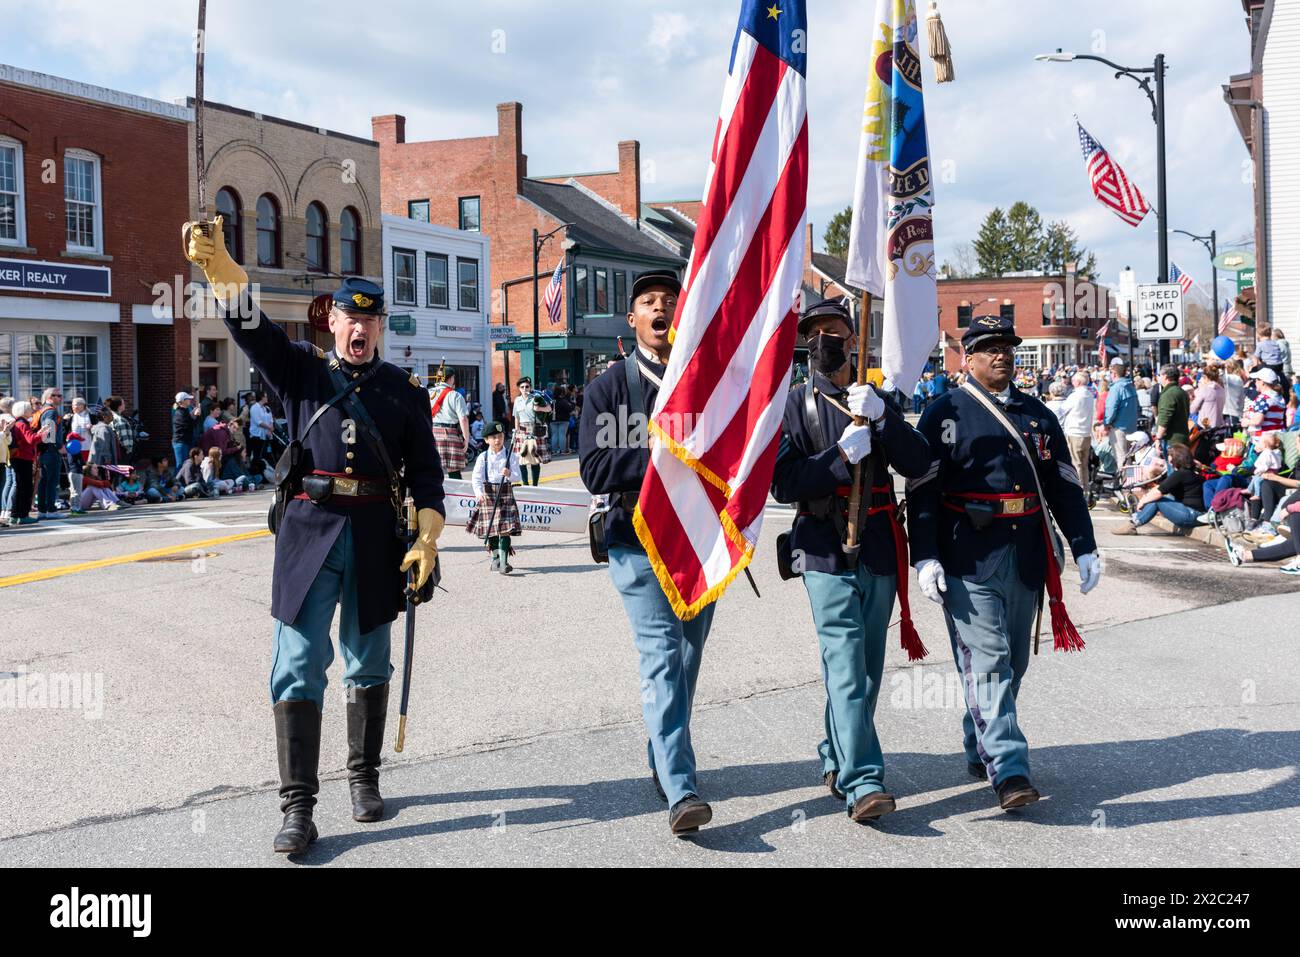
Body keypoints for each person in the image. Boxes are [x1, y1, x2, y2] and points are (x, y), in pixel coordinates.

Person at [184, 215, 446, 855]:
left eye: (372, 321)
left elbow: (430, 482)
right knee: (298, 665)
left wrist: (427, 539)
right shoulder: (301, 371)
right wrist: (220, 268)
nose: (360, 330)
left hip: (377, 540)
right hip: (310, 534)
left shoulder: (405, 392)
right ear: (331, 321)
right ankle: (298, 807)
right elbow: (252, 332)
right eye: (350, 320)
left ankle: (363, 779)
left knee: (369, 662)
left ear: (381, 326)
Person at [908, 314, 1101, 811]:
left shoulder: (1038, 415)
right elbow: (923, 491)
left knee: (1013, 663)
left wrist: (1083, 543)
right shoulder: (942, 411)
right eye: (990, 347)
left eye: (1008, 347)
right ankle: (1010, 771)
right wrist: (924, 555)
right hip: (966, 555)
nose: (1002, 355)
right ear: (966, 357)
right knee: (988, 661)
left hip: (1025, 554)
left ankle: (980, 740)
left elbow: (1062, 483)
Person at [769, 299, 931, 822]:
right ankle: (864, 781)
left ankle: (835, 752)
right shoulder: (794, 404)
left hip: (880, 544)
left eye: (833, 330)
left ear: (853, 337)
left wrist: (885, 420)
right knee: (844, 665)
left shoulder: (878, 399)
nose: (823, 341)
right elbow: (783, 481)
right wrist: (839, 459)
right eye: (813, 333)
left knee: (866, 669)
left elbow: (920, 463)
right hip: (822, 546)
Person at [579, 269, 718, 837]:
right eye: (648, 302)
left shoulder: (706, 381)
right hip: (635, 540)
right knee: (661, 656)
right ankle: (682, 789)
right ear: (632, 319)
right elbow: (594, 467)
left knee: (687, 659)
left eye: (669, 300)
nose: (661, 308)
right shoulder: (607, 387)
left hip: (698, 541)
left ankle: (662, 752)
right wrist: (662, 454)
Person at [467, 420, 522, 573]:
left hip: (505, 493)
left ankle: (504, 563)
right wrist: (479, 493)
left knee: (504, 529)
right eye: (493, 437)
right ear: (486, 440)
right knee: (491, 530)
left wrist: (509, 473)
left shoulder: (511, 455)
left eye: (500, 436)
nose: (497, 440)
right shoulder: (482, 457)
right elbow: (476, 478)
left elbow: (518, 477)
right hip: (488, 494)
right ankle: (495, 559)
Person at [1114, 443, 1204, 534]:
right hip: (1195, 514)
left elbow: (1158, 493)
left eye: (1169, 455)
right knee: (1158, 498)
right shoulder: (1190, 472)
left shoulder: (1180, 474)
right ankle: (1134, 521)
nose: (1167, 457)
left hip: (1191, 515)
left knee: (1157, 501)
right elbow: (1160, 487)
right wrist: (1146, 497)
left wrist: (1143, 501)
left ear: (1174, 458)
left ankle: (1132, 525)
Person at [429, 370, 471, 480]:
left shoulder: (428, 393)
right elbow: (463, 419)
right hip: (450, 433)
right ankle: (455, 495)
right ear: (451, 378)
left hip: (431, 433)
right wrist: (466, 439)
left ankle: (433, 494)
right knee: (453, 468)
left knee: (433, 466)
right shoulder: (455, 395)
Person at [1056, 371, 1094, 492]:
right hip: (1086, 432)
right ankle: (1086, 488)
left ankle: (1080, 489)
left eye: (1073, 381)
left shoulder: (1075, 395)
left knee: (1076, 463)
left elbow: (1062, 410)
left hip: (1075, 432)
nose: (1072, 383)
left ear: (1077, 382)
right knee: (1084, 464)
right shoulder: (1089, 394)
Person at [512, 377, 551, 485]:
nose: (525, 389)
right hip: (522, 431)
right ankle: (525, 484)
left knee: (535, 459)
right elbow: (516, 417)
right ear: (519, 388)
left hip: (535, 430)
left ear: (530, 387)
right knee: (521, 459)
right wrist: (516, 432)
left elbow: (549, 409)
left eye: (527, 386)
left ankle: (535, 485)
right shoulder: (517, 400)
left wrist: (539, 409)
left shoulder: (536, 397)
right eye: (522, 387)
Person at [34, 387, 65, 519]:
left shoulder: (43, 410)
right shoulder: (51, 412)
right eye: (56, 395)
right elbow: (49, 433)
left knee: (44, 481)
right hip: (51, 451)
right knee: (52, 482)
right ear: (49, 397)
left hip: (43, 451)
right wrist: (58, 447)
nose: (60, 397)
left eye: (60, 395)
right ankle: (51, 510)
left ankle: (42, 510)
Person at [7, 401, 40, 525]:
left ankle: (15, 515)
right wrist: (41, 434)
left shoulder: (17, 422)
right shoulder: (22, 424)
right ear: (24, 411)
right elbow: (31, 440)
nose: (31, 410)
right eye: (29, 408)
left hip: (17, 457)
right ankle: (23, 515)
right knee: (26, 487)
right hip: (23, 458)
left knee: (20, 487)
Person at [1104, 361, 1138, 465]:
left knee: (1122, 459)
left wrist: (1106, 423)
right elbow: (1138, 406)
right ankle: (1129, 480)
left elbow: (1111, 408)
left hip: (1119, 428)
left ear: (1114, 373)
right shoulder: (1130, 386)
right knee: (1129, 458)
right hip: (1131, 427)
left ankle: (1125, 481)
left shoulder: (1116, 388)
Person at [1154, 363, 1191, 457]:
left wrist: (1158, 438)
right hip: (1182, 438)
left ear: (1165, 376)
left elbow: (1164, 419)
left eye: (1159, 375)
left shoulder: (1169, 394)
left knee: (1174, 469)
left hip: (1172, 441)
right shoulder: (1181, 391)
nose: (1158, 378)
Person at [1244, 367, 1286, 438]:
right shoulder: (1279, 396)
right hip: (1279, 435)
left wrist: (1246, 422)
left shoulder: (1263, 398)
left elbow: (1257, 421)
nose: (1255, 382)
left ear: (1262, 382)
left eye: (1256, 380)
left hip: (1263, 439)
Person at [1189, 364, 1226, 429]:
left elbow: (1192, 410)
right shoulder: (1222, 389)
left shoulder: (1204, 390)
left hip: (1205, 426)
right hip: (1219, 425)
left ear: (1205, 377)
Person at [172, 392, 198, 472]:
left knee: (185, 464)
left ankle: (180, 482)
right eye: (188, 399)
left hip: (185, 441)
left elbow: (190, 423)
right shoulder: (179, 413)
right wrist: (195, 416)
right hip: (180, 442)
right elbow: (188, 426)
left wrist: (193, 414)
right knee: (180, 465)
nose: (190, 400)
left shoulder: (184, 411)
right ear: (183, 401)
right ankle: (176, 483)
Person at [248, 391, 274, 465]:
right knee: (257, 455)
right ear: (262, 397)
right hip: (257, 435)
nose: (267, 398)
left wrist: (270, 430)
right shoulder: (254, 408)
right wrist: (269, 428)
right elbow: (258, 422)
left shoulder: (267, 408)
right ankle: (255, 471)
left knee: (266, 455)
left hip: (266, 435)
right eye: (265, 396)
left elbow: (271, 420)